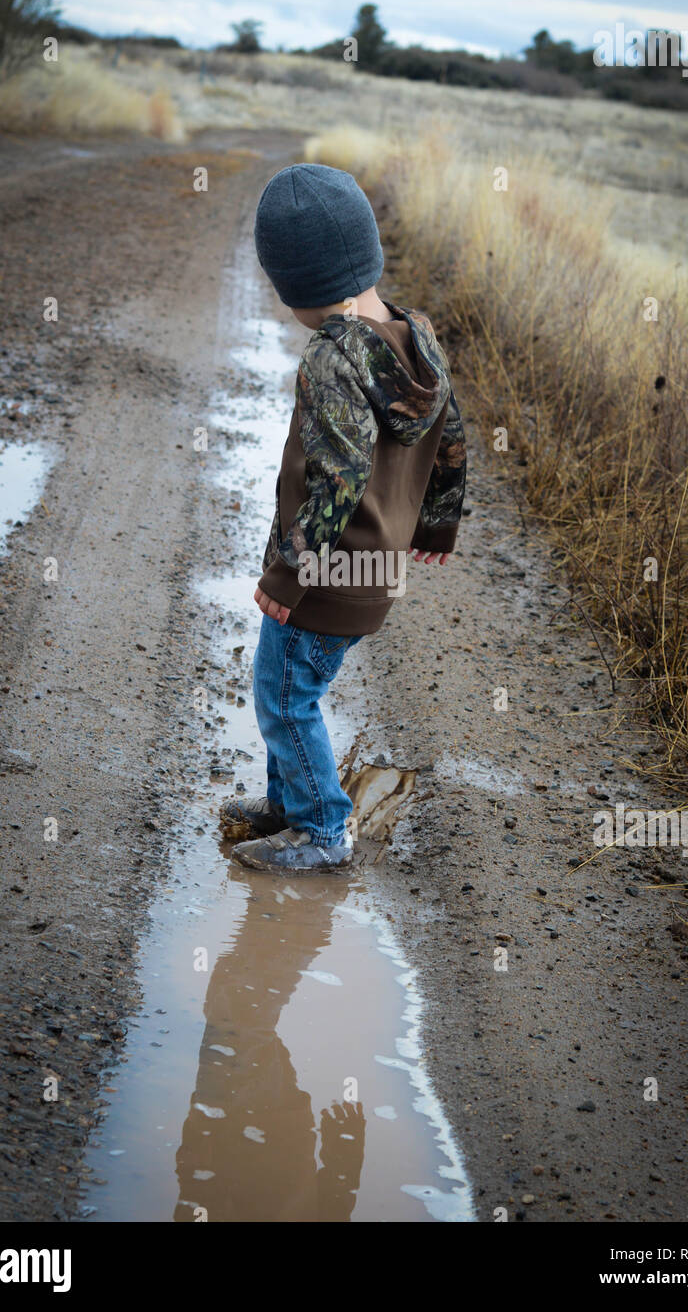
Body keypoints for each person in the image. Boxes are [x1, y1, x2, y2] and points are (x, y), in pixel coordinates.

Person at [221, 163, 466, 872]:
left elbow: (339, 478)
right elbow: (451, 435)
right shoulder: (416, 335)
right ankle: (288, 807)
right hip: (374, 565)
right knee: (288, 687)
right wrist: (437, 524)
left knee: (285, 697)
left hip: (325, 573)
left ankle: (323, 830)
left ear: (292, 284)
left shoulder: (332, 357)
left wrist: (287, 577)